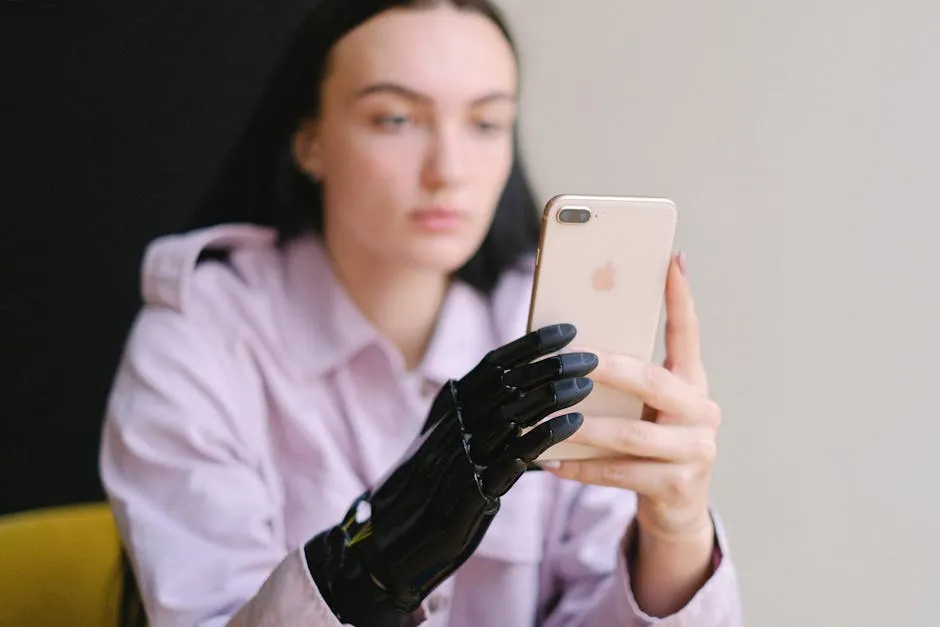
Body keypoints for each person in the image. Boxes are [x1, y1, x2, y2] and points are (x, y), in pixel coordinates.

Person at [99, 1, 743, 625]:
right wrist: (374, 561)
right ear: (309, 140)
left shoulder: (548, 335)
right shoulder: (199, 341)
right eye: (396, 120)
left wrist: (675, 531)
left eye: (486, 123)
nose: (449, 170)